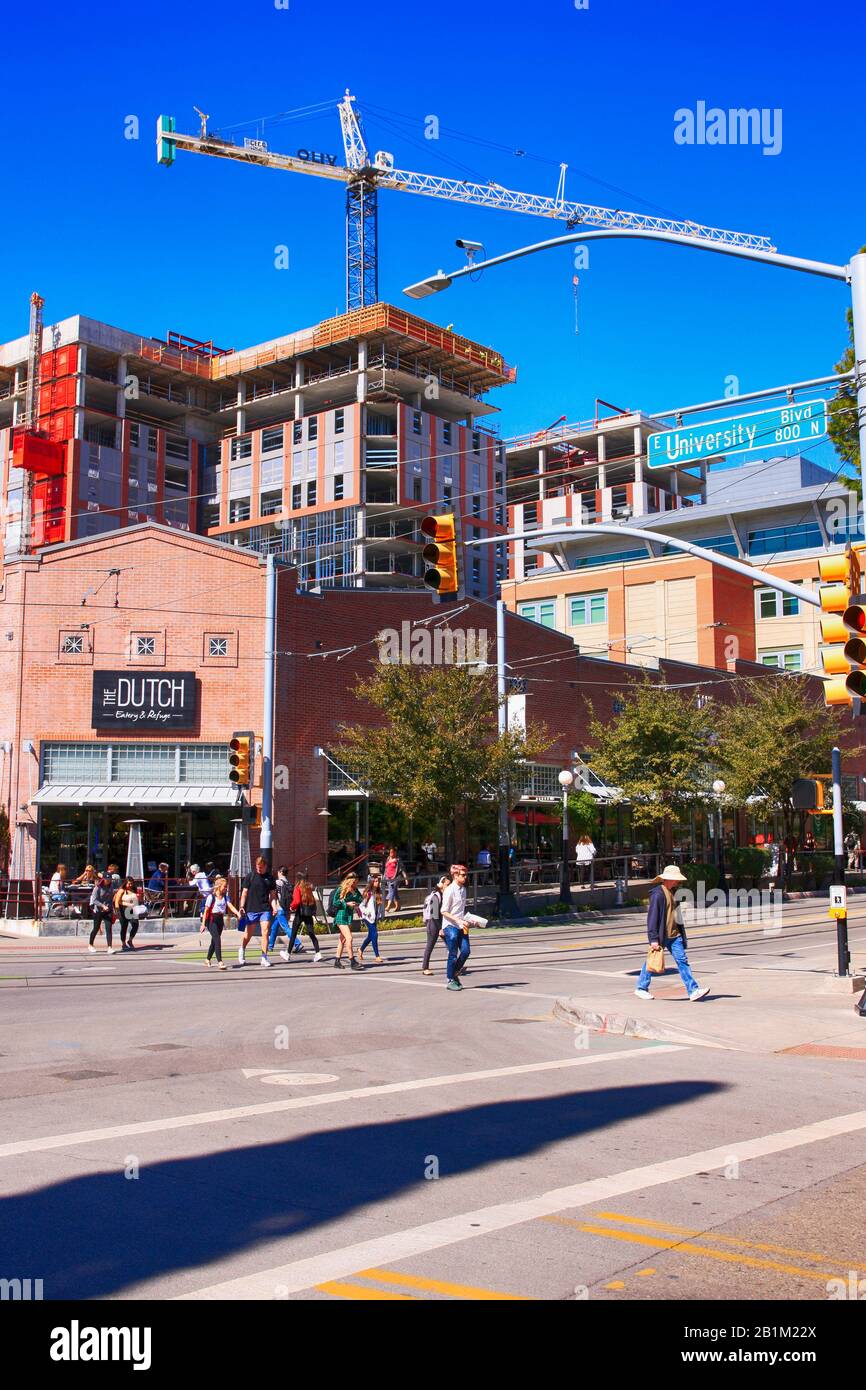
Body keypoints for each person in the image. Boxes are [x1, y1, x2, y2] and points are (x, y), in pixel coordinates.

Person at [634, 864, 709, 1002]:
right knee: (652, 961)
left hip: (674, 936)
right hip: (662, 936)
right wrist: (653, 939)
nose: (677, 882)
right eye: (675, 879)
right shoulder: (658, 894)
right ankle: (641, 988)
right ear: (668, 879)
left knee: (682, 961)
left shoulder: (672, 892)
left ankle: (693, 990)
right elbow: (653, 918)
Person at [238, 855, 276, 968]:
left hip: (265, 909)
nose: (259, 869)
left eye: (261, 867)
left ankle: (264, 957)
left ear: (265, 866)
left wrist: (274, 907)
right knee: (248, 934)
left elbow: (273, 896)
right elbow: (244, 893)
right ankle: (242, 949)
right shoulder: (250, 876)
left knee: (265, 932)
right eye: (257, 867)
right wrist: (241, 906)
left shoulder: (270, 878)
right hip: (251, 909)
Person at [441, 862, 471, 991]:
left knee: (466, 951)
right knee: (453, 953)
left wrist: (468, 919)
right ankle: (450, 979)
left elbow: (460, 910)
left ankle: (454, 972)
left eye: (466, 875)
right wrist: (457, 921)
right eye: (463, 875)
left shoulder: (463, 890)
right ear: (455, 876)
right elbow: (444, 911)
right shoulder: (449, 890)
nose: (465, 877)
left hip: (461, 925)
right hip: (450, 925)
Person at [200, 875, 240, 970]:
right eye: (224, 887)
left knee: (214, 941)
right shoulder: (211, 897)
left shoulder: (225, 897)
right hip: (211, 920)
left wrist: (238, 913)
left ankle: (207, 960)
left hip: (220, 920)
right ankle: (220, 962)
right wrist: (203, 924)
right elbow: (206, 911)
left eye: (226, 887)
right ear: (218, 886)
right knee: (217, 939)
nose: (226, 889)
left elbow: (230, 906)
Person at [286, 869, 323, 962]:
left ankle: (288, 953)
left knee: (293, 933)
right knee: (311, 933)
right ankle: (318, 953)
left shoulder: (298, 888)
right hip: (308, 913)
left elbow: (297, 901)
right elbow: (313, 900)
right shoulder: (309, 887)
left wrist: (291, 907)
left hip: (300, 912)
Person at [331, 872, 362, 970]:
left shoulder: (355, 890)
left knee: (342, 940)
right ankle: (352, 961)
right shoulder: (341, 889)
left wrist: (354, 896)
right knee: (349, 938)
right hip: (341, 916)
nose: (357, 883)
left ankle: (337, 961)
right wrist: (347, 904)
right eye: (356, 881)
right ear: (351, 881)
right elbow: (335, 902)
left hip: (348, 916)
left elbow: (360, 899)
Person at [421, 874, 450, 975]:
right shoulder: (435, 896)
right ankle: (425, 968)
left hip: (439, 923)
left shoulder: (442, 895)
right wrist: (440, 929)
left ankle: (454, 966)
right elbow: (434, 914)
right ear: (441, 885)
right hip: (433, 924)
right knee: (430, 945)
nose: (448, 887)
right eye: (447, 884)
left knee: (450, 944)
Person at [358, 873, 385, 965]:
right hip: (367, 917)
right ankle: (377, 956)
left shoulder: (378, 893)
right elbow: (361, 906)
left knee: (371, 936)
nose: (378, 883)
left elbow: (378, 907)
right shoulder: (368, 893)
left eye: (378, 881)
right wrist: (367, 913)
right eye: (376, 881)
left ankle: (360, 949)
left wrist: (380, 915)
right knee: (375, 934)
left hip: (374, 917)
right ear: (372, 882)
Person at [87, 872, 116, 953]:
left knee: (108, 928)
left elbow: (110, 899)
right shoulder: (98, 887)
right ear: (103, 879)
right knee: (96, 928)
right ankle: (90, 944)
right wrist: (102, 906)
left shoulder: (111, 887)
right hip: (98, 910)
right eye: (107, 879)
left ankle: (110, 947)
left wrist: (112, 909)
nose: (108, 881)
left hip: (108, 910)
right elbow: (94, 900)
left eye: (109, 879)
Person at [115, 876, 142, 951]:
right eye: (129, 884)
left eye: (131, 883)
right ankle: (123, 943)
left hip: (132, 909)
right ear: (125, 883)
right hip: (123, 908)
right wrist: (117, 909)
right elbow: (117, 900)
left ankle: (130, 940)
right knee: (124, 926)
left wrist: (139, 898)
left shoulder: (134, 889)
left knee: (135, 924)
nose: (130, 885)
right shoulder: (122, 890)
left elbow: (137, 900)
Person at [383, 847, 408, 914]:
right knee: (394, 892)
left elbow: (402, 869)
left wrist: (406, 879)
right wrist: (384, 877)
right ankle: (398, 906)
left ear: (395, 852)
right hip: (388, 877)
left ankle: (388, 906)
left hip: (396, 878)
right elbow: (386, 869)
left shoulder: (398, 860)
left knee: (391, 891)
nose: (391, 853)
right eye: (390, 852)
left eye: (392, 852)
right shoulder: (388, 858)